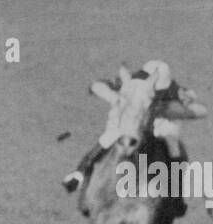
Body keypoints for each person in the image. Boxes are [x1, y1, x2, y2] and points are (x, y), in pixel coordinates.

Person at [61, 60, 204, 192]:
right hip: (123, 123)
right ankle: (79, 175)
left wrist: (181, 107)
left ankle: (174, 190)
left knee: (172, 145)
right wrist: (109, 94)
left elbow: (197, 108)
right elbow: (97, 85)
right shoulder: (131, 82)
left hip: (155, 125)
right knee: (108, 139)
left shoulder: (173, 91)